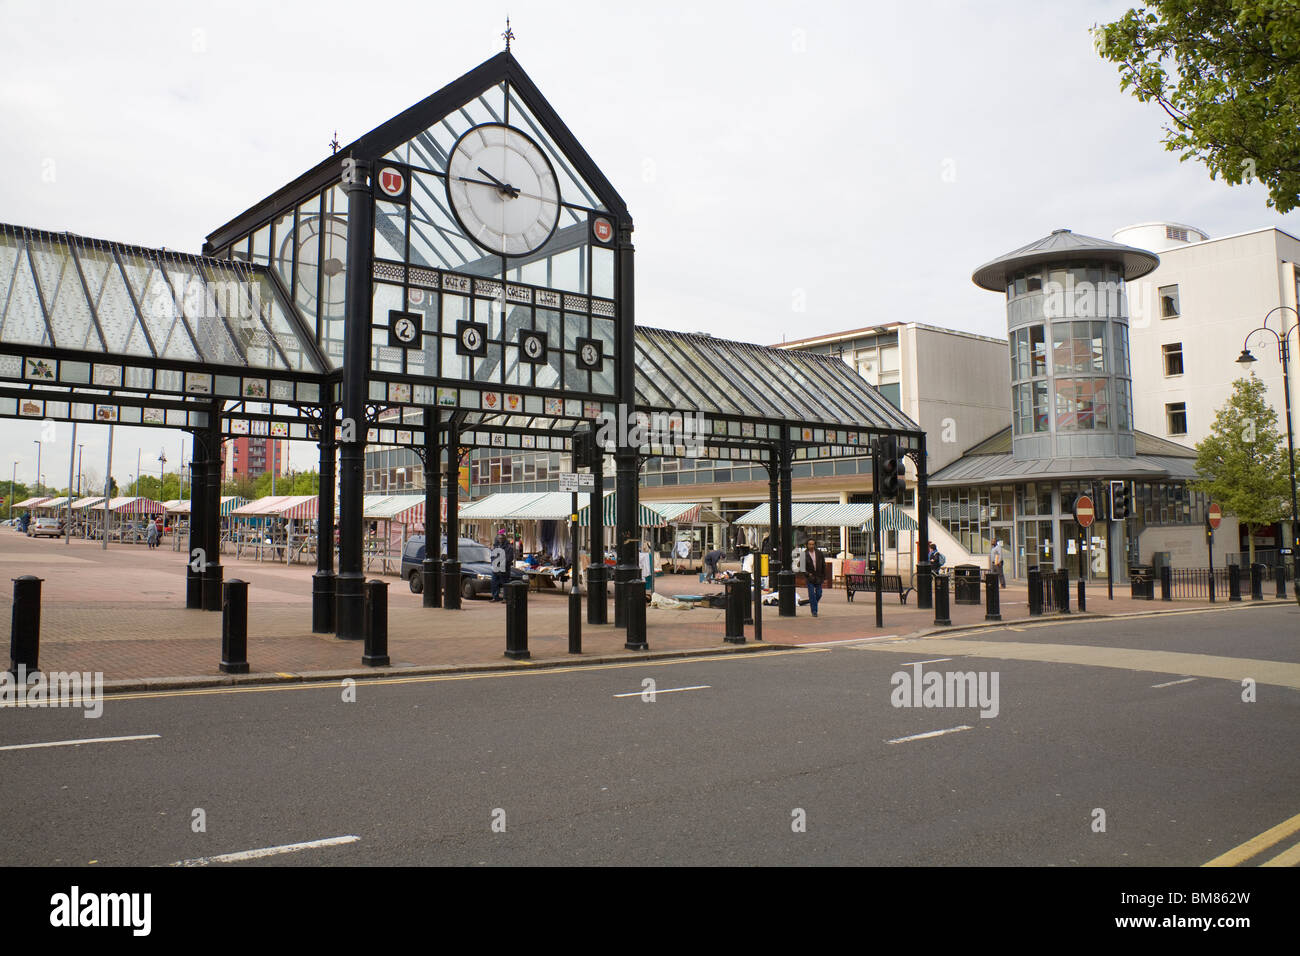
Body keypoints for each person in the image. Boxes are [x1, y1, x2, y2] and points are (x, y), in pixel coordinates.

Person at [802, 538, 828, 616]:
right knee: (811, 594)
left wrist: (824, 576)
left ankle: (813, 602)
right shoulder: (804, 554)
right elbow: (801, 567)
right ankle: (814, 611)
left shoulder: (819, 553)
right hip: (810, 577)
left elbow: (823, 564)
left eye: (813, 544)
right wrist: (807, 574)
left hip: (818, 577)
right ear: (807, 545)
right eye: (810, 544)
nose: (811, 546)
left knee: (819, 593)